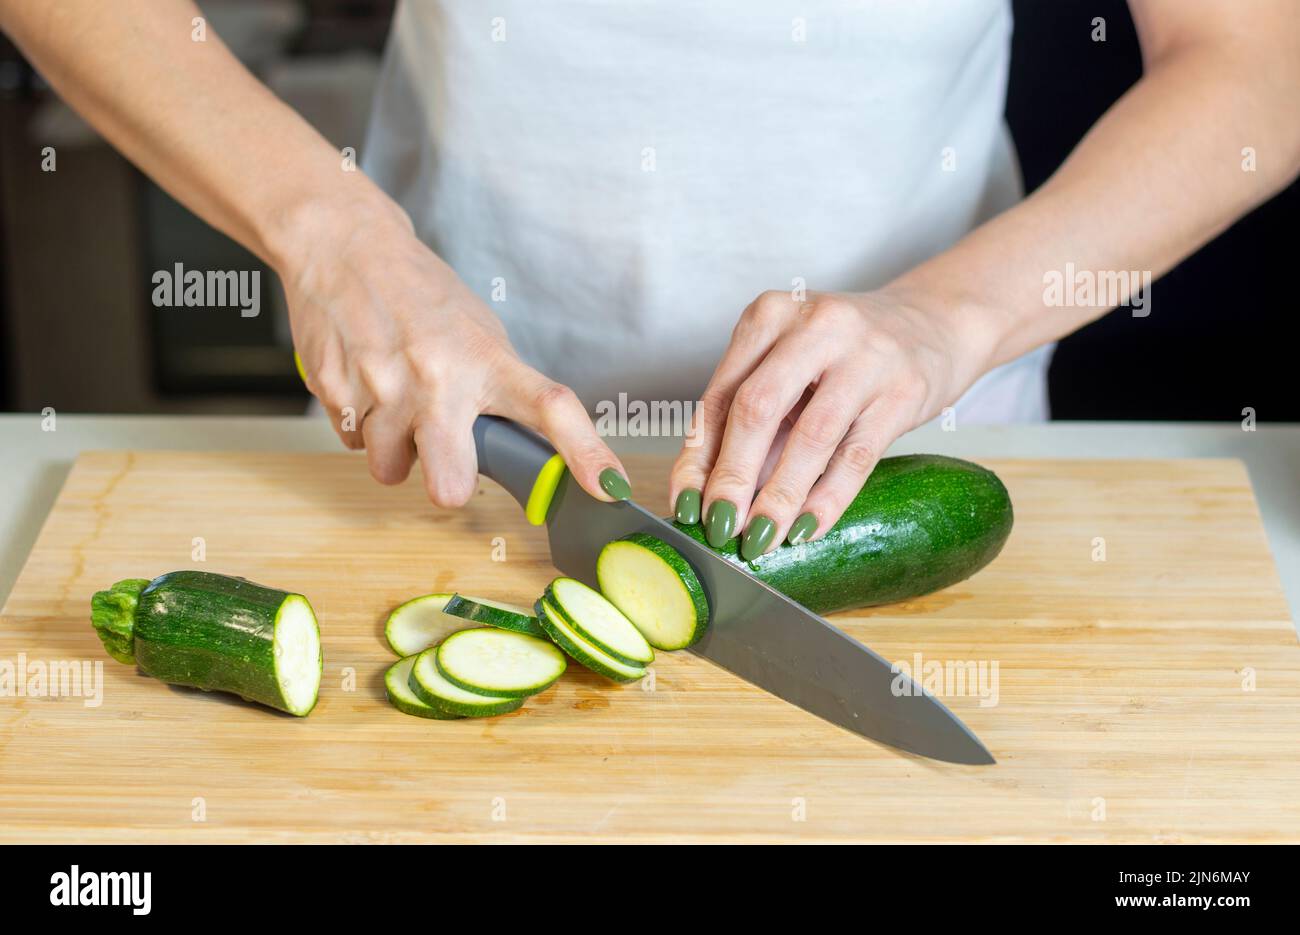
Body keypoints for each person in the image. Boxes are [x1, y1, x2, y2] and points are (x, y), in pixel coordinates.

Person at [5, 1, 1297, 560]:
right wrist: (332, 237)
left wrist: (945, 318)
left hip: (914, 440)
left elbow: (1259, 60)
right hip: (435, 441)